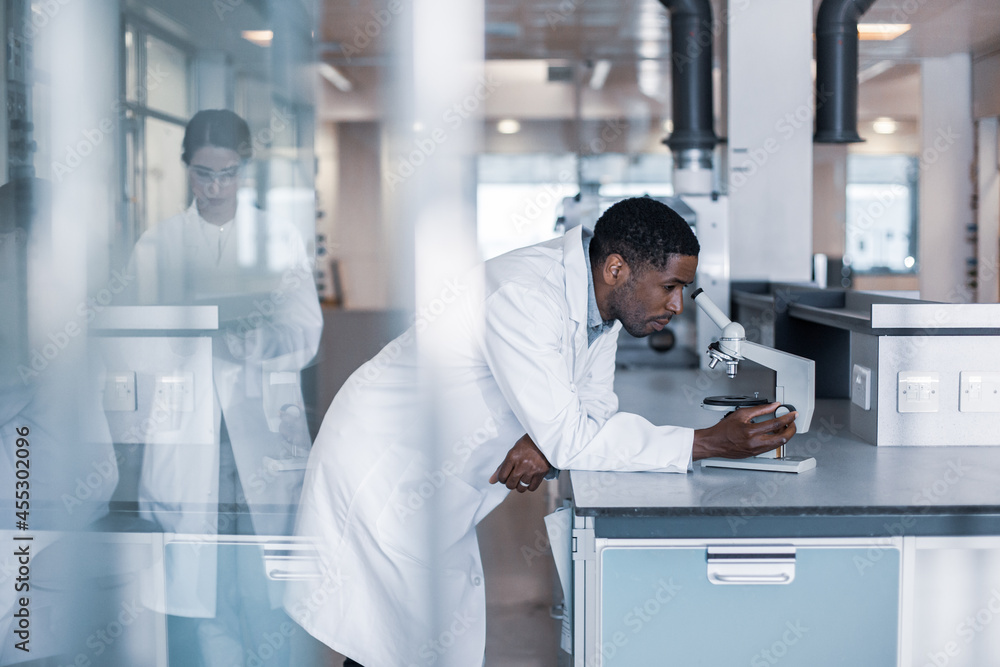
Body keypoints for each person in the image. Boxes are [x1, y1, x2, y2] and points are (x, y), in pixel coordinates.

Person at [284, 196, 796, 667]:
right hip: (383, 466)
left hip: (434, 473)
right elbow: (574, 433)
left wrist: (545, 439)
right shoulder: (526, 294)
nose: (678, 305)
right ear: (616, 268)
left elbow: (593, 407)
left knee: (413, 640)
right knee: (395, 641)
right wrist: (706, 442)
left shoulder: (603, 308)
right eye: (670, 286)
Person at [127, 109, 322, 666]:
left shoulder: (276, 236)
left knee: (264, 593)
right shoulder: (158, 243)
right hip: (190, 437)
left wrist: (257, 341)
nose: (214, 187)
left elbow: (306, 331)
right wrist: (185, 334)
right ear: (186, 168)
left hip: (256, 433)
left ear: (245, 171)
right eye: (203, 174)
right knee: (202, 599)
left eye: (227, 174)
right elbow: (135, 346)